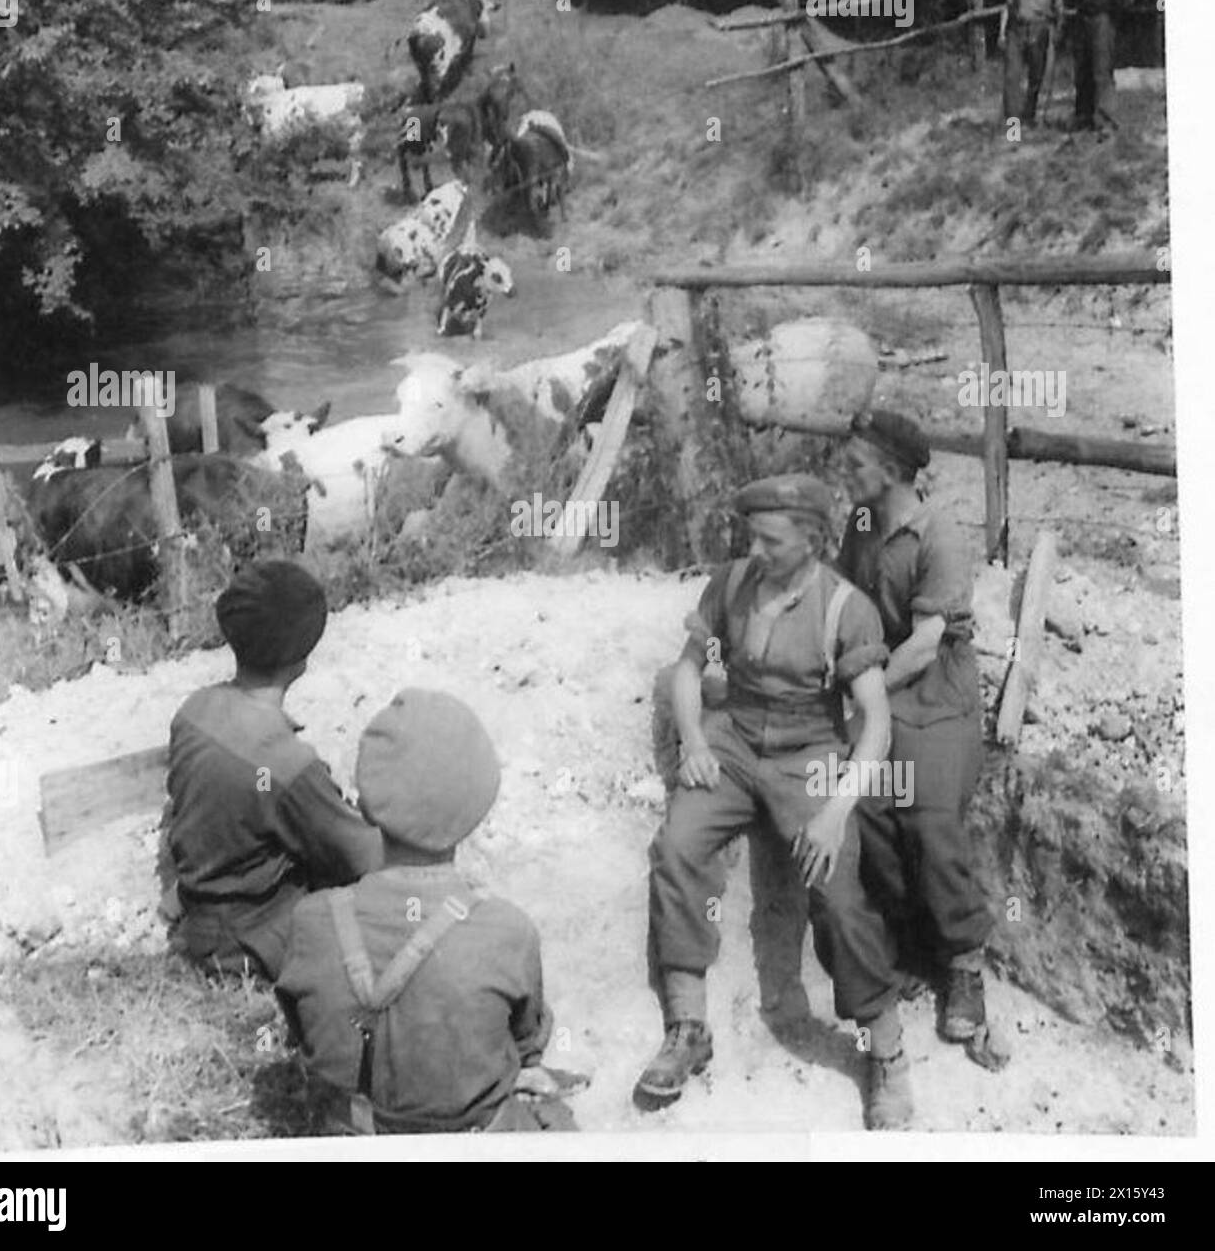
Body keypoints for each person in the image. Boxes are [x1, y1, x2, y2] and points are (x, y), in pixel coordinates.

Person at [639, 473, 913, 1130]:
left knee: (837, 892)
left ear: (813, 541)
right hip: (734, 740)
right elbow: (688, 668)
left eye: (772, 541)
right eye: (752, 537)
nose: (755, 551)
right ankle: (688, 1025)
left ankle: (887, 1051)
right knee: (677, 846)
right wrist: (694, 740)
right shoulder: (731, 584)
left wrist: (835, 811)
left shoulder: (845, 608)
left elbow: (875, 722)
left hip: (810, 752)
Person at [277, 688, 578, 1135]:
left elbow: (301, 1032)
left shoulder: (312, 920)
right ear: (478, 808)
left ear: (367, 806)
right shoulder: (507, 931)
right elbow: (526, 1040)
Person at [837, 412, 999, 1059]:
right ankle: (909, 941)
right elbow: (844, 602)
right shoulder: (861, 525)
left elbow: (927, 643)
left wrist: (865, 693)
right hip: (883, 686)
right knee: (868, 807)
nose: (845, 473)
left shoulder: (940, 536)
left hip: (935, 695)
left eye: (855, 464)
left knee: (929, 816)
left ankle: (963, 961)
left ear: (891, 472)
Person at [163, 560, 382, 980]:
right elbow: (366, 859)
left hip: (200, 918)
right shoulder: (289, 765)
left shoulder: (194, 711)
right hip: (249, 942)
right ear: (303, 655)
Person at [1073, 0, 1134, 133]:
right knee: (1083, 71)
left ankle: (1105, 120)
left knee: (1101, 71)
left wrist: (1113, 15)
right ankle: (1084, 116)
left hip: (1102, 22)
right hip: (1084, 23)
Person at [998, 0, 1064, 128]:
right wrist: (1002, 33)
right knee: (1012, 77)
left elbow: (1060, 12)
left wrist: (1058, 31)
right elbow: (1007, 7)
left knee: (1036, 76)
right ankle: (1013, 127)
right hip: (1017, 30)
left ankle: (1029, 115)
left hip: (1040, 31)